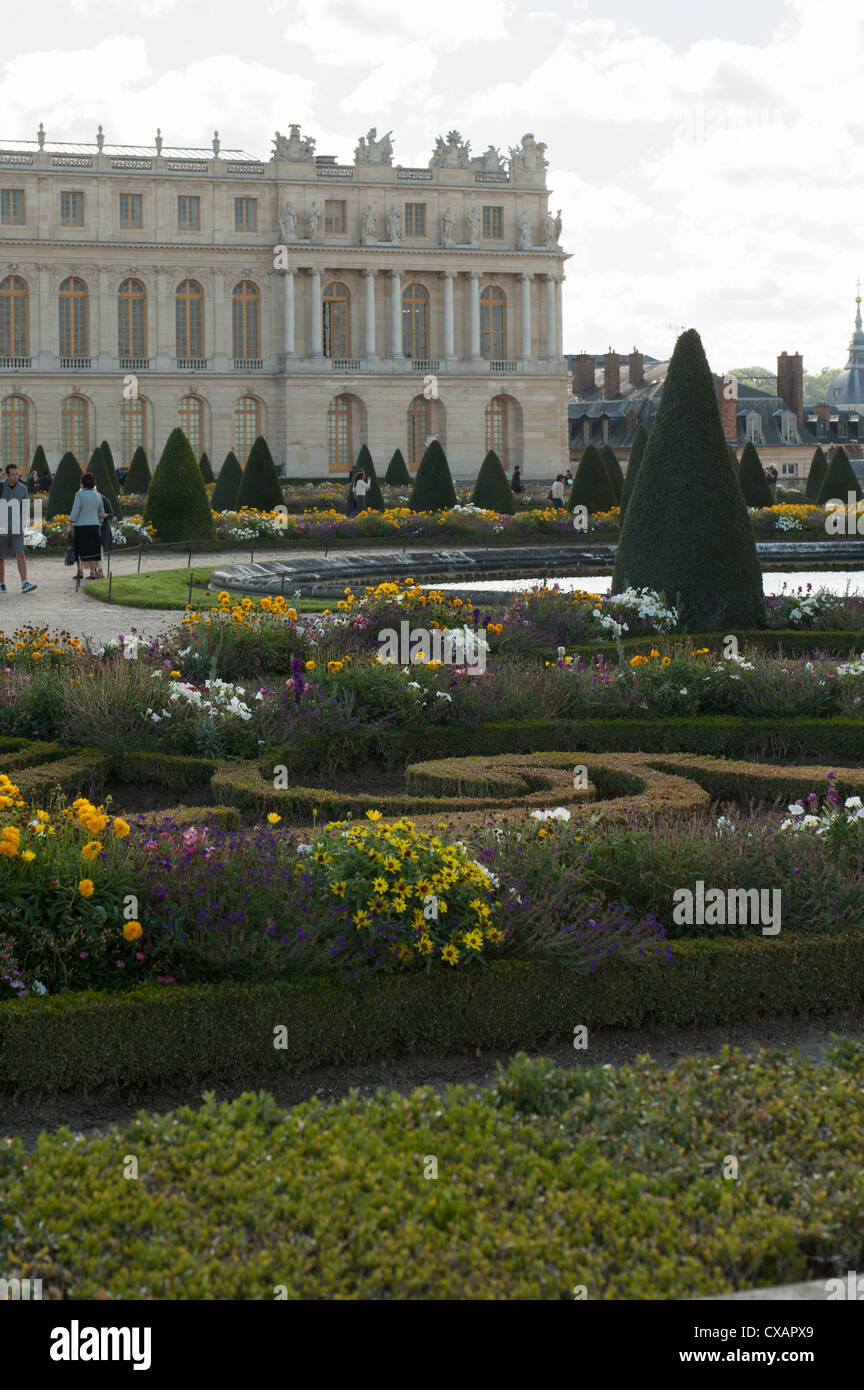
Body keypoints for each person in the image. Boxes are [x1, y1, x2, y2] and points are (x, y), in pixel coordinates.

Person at [0, 463, 38, 594]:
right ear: (6, 475)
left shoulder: (23, 489)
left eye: (17, 474)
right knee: (0, 556)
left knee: (20, 554)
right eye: (13, 474)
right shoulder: (1, 487)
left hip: (17, 526)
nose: (15, 477)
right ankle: (1, 584)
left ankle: (24, 583)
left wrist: (24, 524)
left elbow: (25, 507)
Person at [68, 471, 107, 581]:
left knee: (80, 550)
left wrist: (70, 524)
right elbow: (101, 512)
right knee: (94, 550)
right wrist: (99, 524)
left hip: (81, 526)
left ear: (82, 483)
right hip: (94, 526)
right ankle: (93, 572)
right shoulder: (98, 495)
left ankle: (80, 572)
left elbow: (75, 511)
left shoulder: (79, 494)